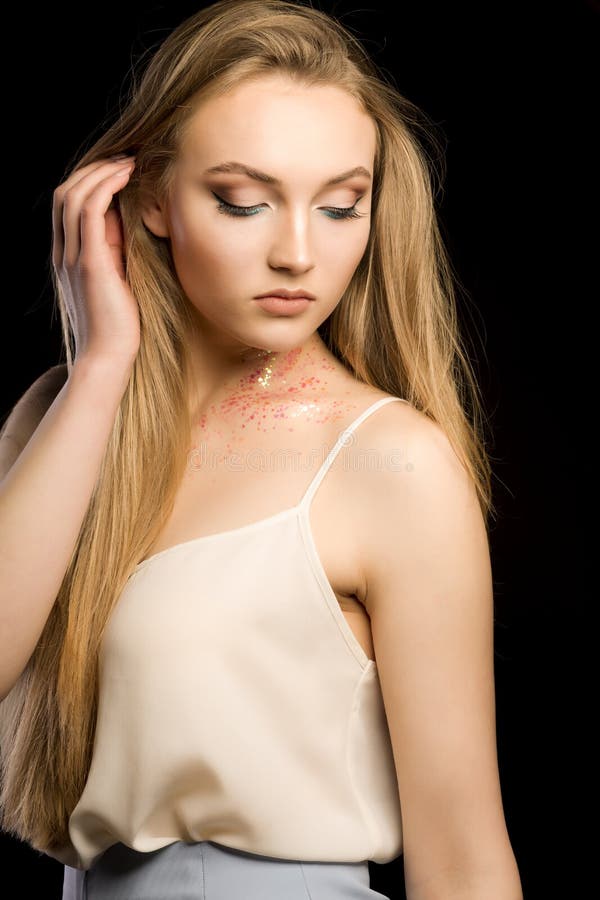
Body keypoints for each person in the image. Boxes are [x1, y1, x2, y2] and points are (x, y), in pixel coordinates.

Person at [0, 1, 523, 898]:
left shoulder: (391, 462)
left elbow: (466, 858)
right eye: (244, 201)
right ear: (152, 198)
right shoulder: (59, 420)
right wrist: (101, 371)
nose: (297, 253)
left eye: (340, 206)